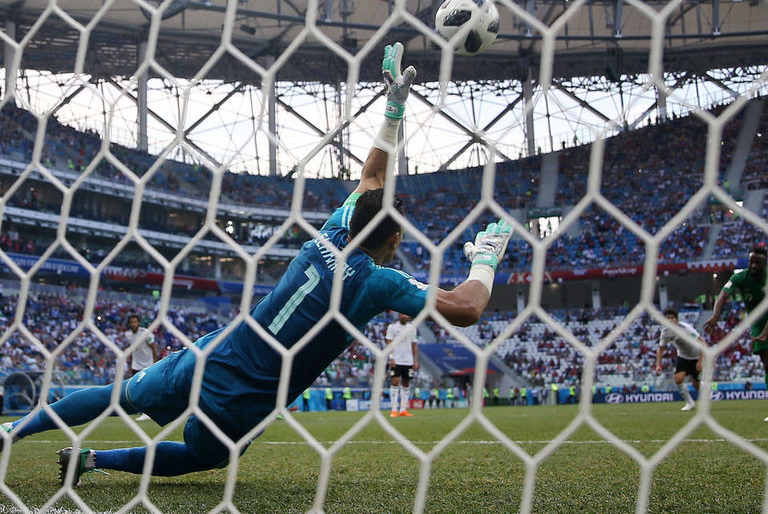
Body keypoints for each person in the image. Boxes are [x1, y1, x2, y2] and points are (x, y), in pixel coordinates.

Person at [0, 43, 513, 486]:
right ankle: (94, 461)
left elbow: (372, 179)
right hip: (248, 395)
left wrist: (394, 109)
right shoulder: (378, 284)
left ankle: (10, 432)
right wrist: (485, 262)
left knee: (122, 396)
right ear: (396, 239)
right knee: (205, 456)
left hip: (214, 352)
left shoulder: (329, 234)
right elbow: (465, 308)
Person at [704, 245, 768, 419]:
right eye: (751, 261)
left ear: (765, 263)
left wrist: (764, 334)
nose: (754, 265)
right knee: (766, 363)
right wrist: (716, 315)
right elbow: (723, 295)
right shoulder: (740, 277)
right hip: (757, 320)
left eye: (758, 263)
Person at [655, 308, 706, 411]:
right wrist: (658, 365)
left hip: (696, 356)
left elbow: (702, 342)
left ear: (676, 319)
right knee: (678, 379)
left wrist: (700, 361)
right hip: (683, 356)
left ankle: (705, 388)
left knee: (696, 385)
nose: (670, 320)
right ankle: (690, 403)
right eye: (667, 318)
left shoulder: (686, 328)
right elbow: (660, 350)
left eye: (672, 318)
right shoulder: (665, 332)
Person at [123, 313, 158, 421]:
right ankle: (142, 411)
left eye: (135, 322)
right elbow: (133, 349)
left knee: (148, 387)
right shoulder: (128, 335)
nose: (134, 324)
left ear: (138, 323)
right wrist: (130, 365)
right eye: (132, 322)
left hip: (148, 364)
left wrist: (155, 363)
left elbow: (153, 348)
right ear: (129, 324)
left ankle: (149, 412)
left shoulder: (145, 333)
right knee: (136, 388)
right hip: (136, 365)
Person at [386, 313, 419, 417]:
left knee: (406, 383)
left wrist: (415, 360)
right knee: (395, 381)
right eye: (403, 314)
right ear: (399, 315)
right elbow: (389, 343)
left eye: (406, 314)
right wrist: (391, 358)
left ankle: (403, 409)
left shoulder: (412, 328)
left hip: (408, 360)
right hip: (396, 359)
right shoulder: (392, 327)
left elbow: (414, 345)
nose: (405, 316)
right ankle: (394, 409)